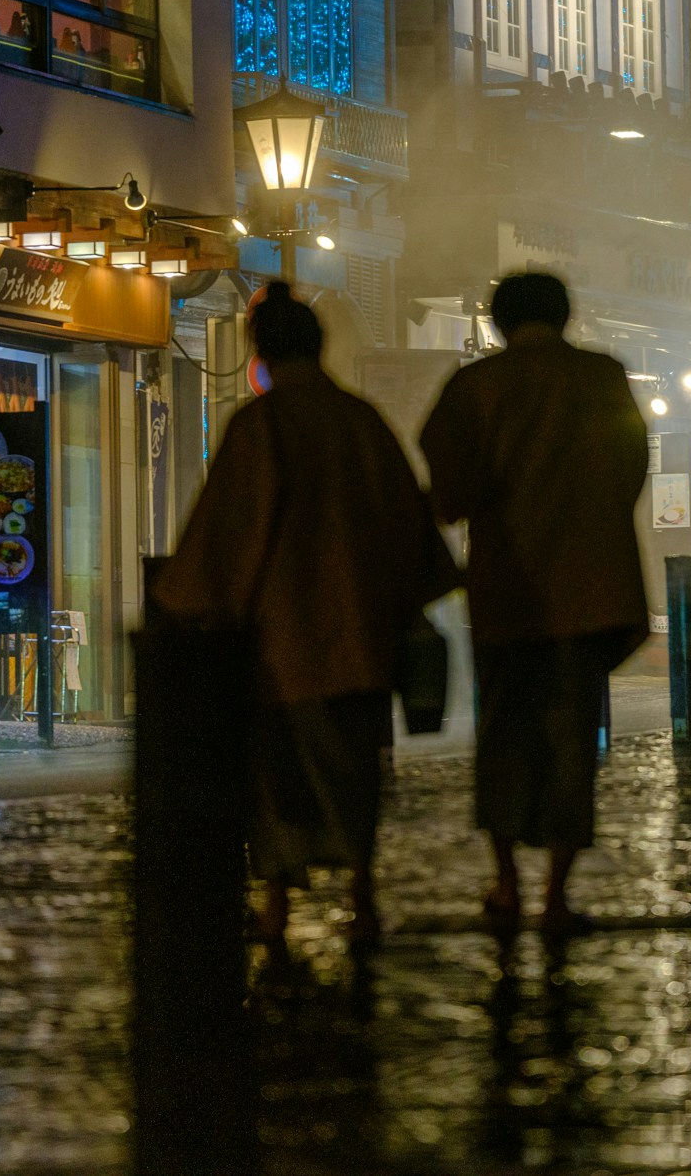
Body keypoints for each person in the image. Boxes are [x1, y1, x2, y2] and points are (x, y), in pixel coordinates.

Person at [150, 285, 457, 954]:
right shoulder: (360, 420)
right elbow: (409, 526)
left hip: (280, 644)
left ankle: (277, 903)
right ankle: (362, 895)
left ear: (260, 350)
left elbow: (226, 535)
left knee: (278, 780)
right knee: (356, 772)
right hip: (361, 640)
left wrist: (182, 601)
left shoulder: (260, 427)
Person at [418, 270, 652, 940]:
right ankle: (555, 893)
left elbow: (449, 495)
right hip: (590, 594)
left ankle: (505, 882)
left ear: (497, 321)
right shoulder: (602, 378)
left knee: (503, 737)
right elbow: (629, 470)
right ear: (565, 314)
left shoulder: (475, 388)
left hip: (508, 592)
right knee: (570, 738)